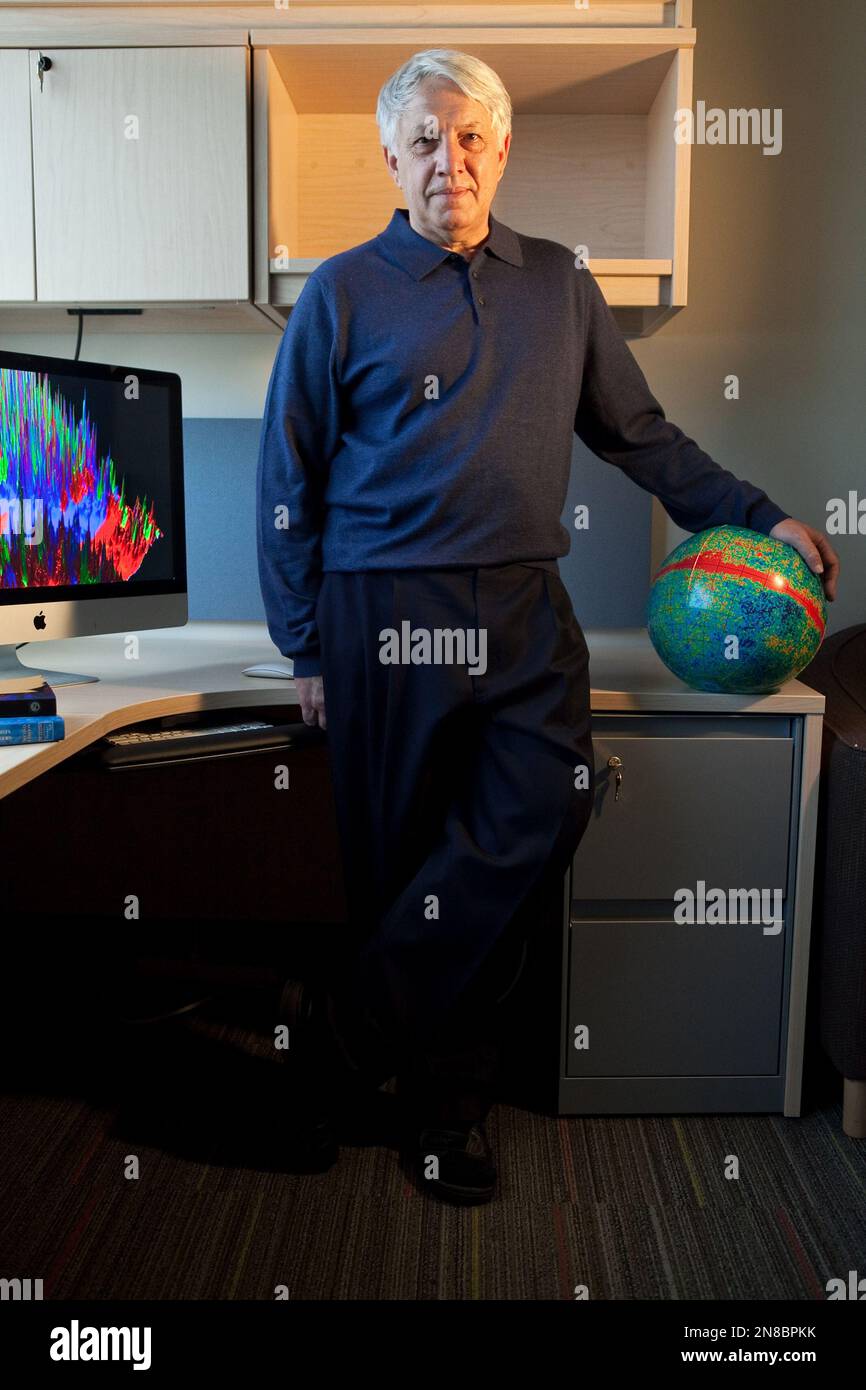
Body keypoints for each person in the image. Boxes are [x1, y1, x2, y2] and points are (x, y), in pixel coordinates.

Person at [256, 48, 839, 1205]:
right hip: (383, 613)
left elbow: (642, 435)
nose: (448, 159)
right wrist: (305, 644)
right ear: (390, 157)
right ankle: (439, 1119)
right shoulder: (340, 290)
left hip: (524, 606)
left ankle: (340, 1035)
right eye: (423, 139)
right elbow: (289, 476)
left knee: (539, 816)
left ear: (501, 150)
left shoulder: (559, 285)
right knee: (401, 866)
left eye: (469, 137)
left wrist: (757, 512)